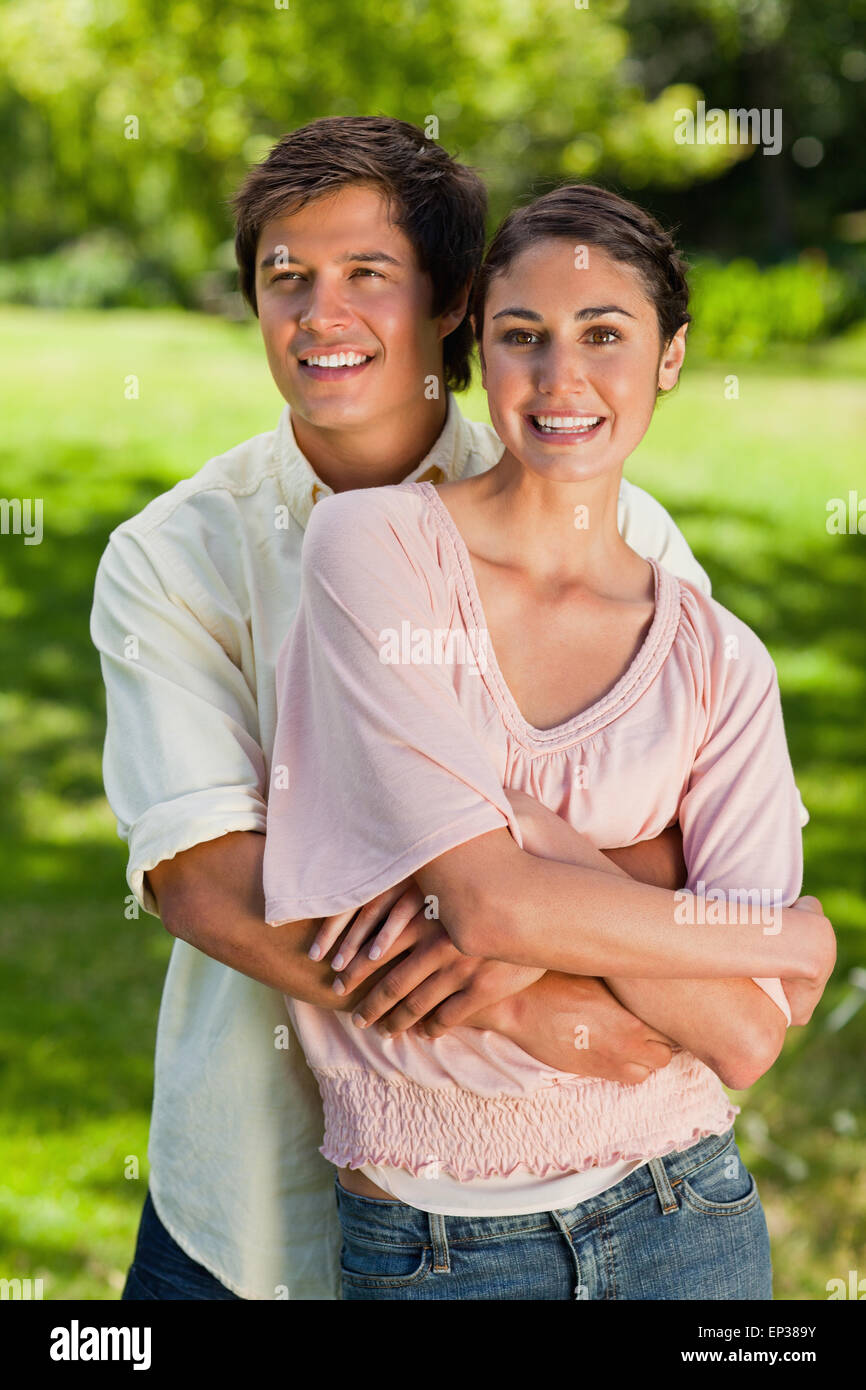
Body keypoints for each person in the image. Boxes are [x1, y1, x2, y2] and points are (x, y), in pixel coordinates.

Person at [91, 117, 818, 1302]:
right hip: (256, 1180)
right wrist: (540, 992)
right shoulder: (174, 554)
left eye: (366, 275)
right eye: (286, 279)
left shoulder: (614, 528)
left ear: (448, 306)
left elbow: (680, 855)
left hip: (625, 1180)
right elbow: (207, 880)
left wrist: (504, 885)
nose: (321, 314)